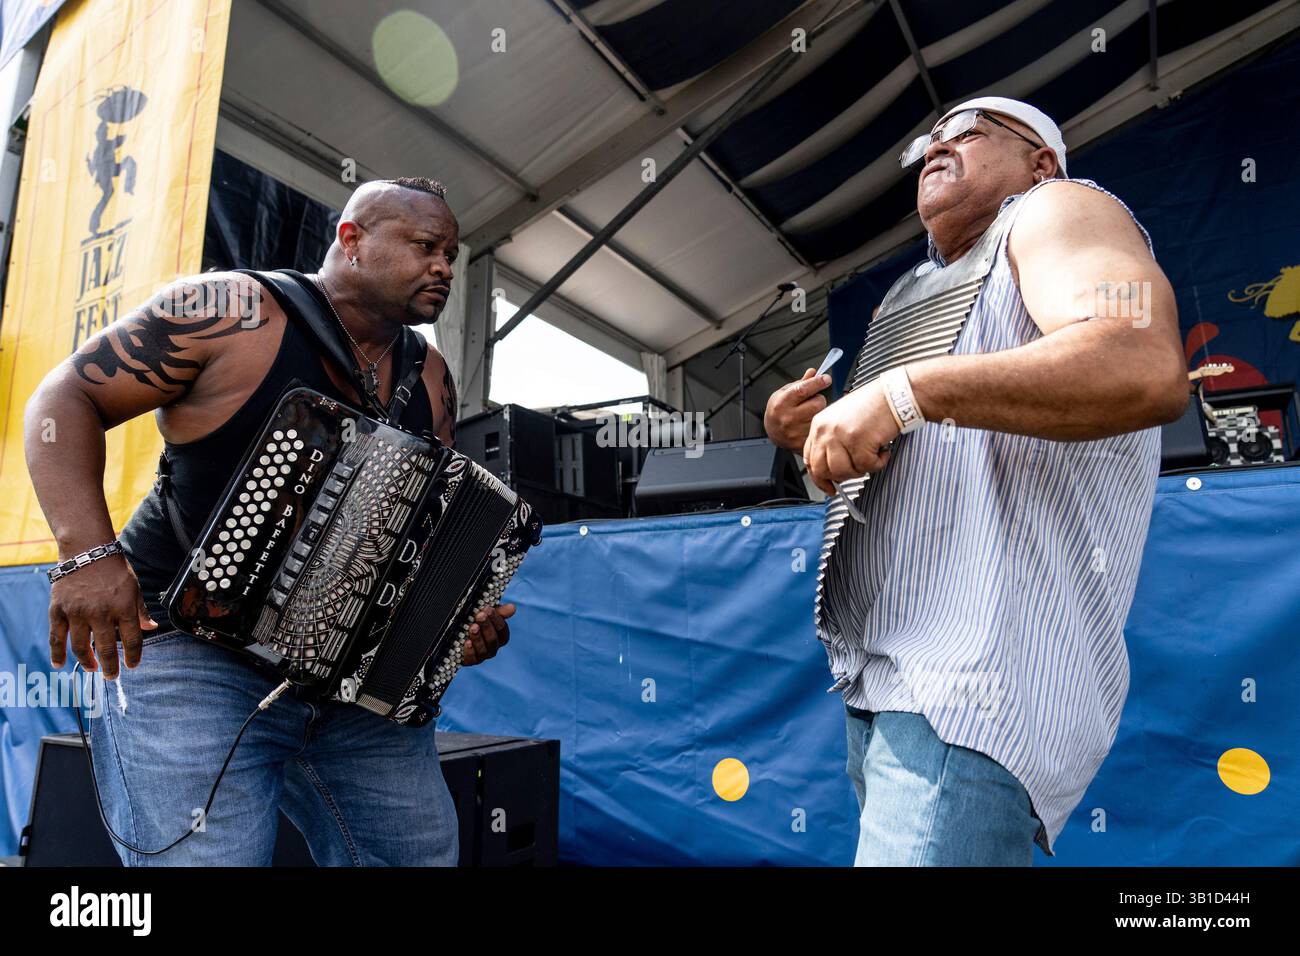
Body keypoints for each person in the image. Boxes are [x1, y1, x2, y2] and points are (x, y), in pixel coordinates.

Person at [24, 176, 513, 866]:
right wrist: (86, 554)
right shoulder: (234, 310)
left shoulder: (429, 375)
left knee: (417, 858)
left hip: (348, 685)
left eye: (452, 256)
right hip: (188, 653)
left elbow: (418, 529)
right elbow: (63, 395)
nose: (443, 267)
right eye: (426, 246)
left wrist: (450, 621)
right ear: (353, 240)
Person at [764, 98, 1188, 866]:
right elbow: (902, 474)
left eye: (970, 133)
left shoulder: (1060, 210)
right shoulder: (912, 295)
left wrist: (901, 394)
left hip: (973, 684)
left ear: (1041, 161)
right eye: (929, 140)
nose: (937, 147)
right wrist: (809, 445)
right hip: (888, 682)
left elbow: (1140, 358)